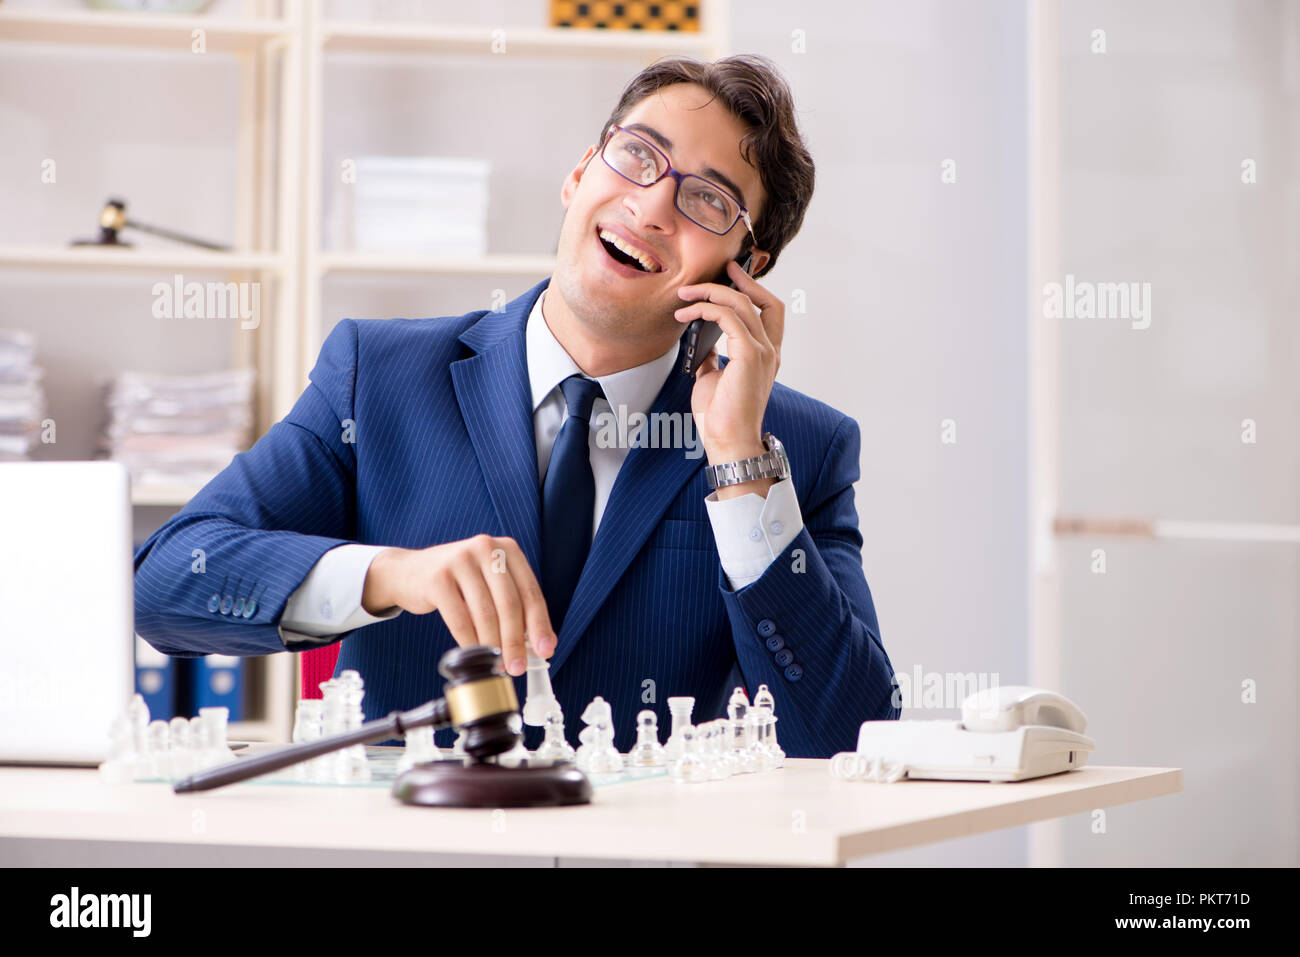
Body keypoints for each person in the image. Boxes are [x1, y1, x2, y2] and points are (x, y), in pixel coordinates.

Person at [134, 54, 899, 758]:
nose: (651, 204)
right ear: (579, 174)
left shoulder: (796, 447)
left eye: (705, 199)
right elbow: (163, 584)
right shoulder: (382, 377)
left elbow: (845, 732)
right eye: (637, 155)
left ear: (744, 270)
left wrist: (739, 464)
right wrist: (394, 575)